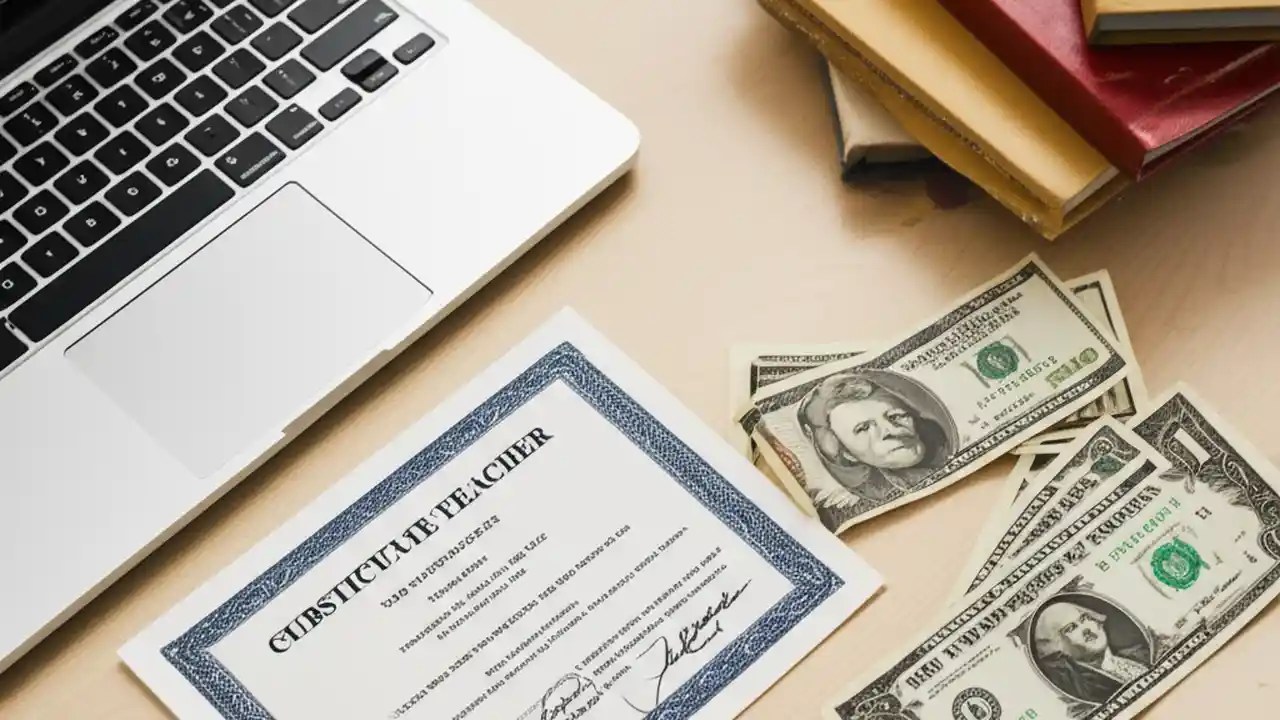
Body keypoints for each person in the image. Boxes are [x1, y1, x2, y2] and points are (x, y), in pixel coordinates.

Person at [797, 373, 952, 504]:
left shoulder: (948, 444)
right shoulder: (877, 493)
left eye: (896, 416)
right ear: (847, 453)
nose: (891, 430)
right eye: (864, 428)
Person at [1033, 600, 1151, 704]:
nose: (1086, 629)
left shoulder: (1140, 653)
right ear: (1058, 646)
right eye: (1071, 628)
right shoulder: (1083, 689)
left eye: (1085, 619)